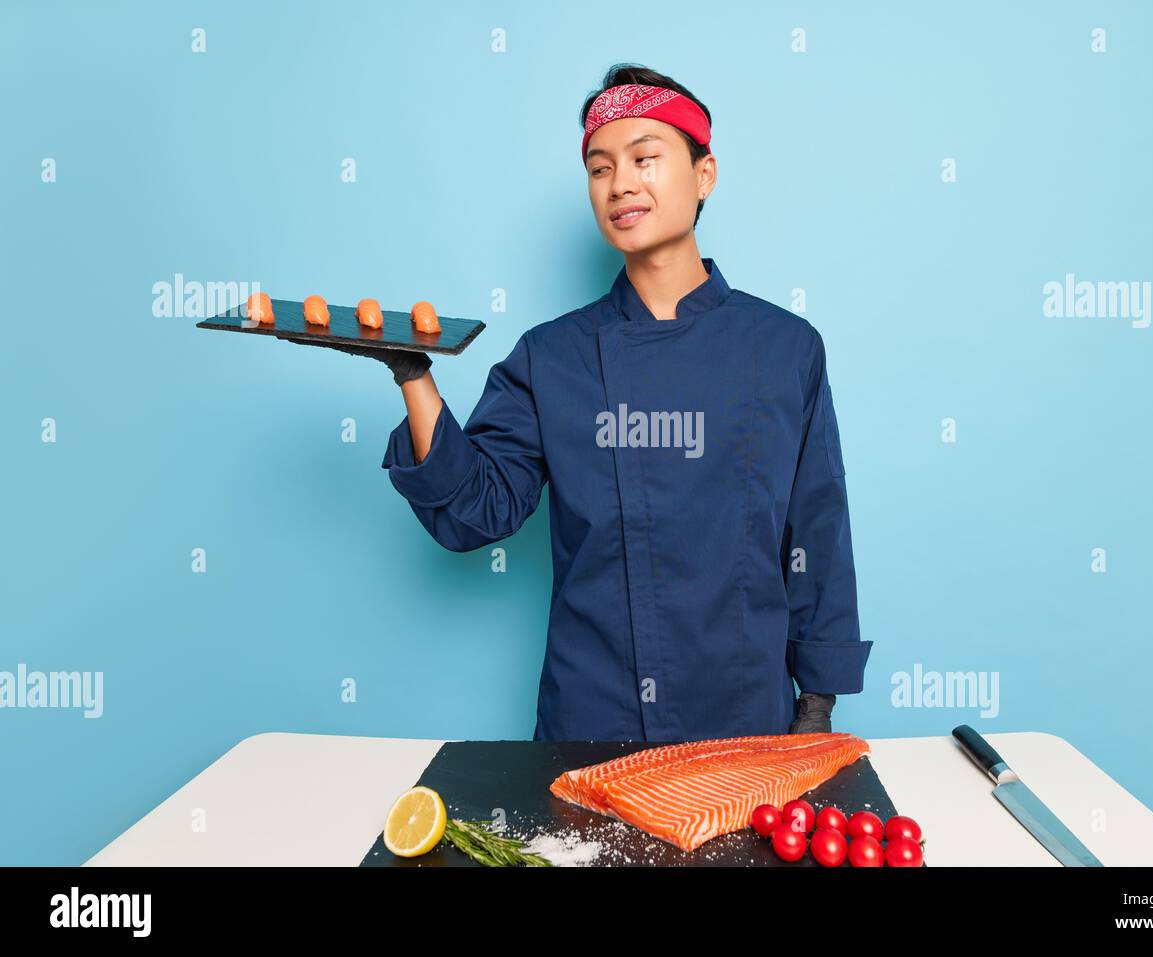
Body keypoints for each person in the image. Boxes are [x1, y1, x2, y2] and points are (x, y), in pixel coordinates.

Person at [289, 64, 871, 742]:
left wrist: (817, 707)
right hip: (590, 725)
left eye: (644, 158)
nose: (620, 183)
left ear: (704, 173)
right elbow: (478, 509)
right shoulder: (551, 357)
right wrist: (412, 375)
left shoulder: (785, 348)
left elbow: (817, 532)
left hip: (743, 725)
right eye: (599, 168)